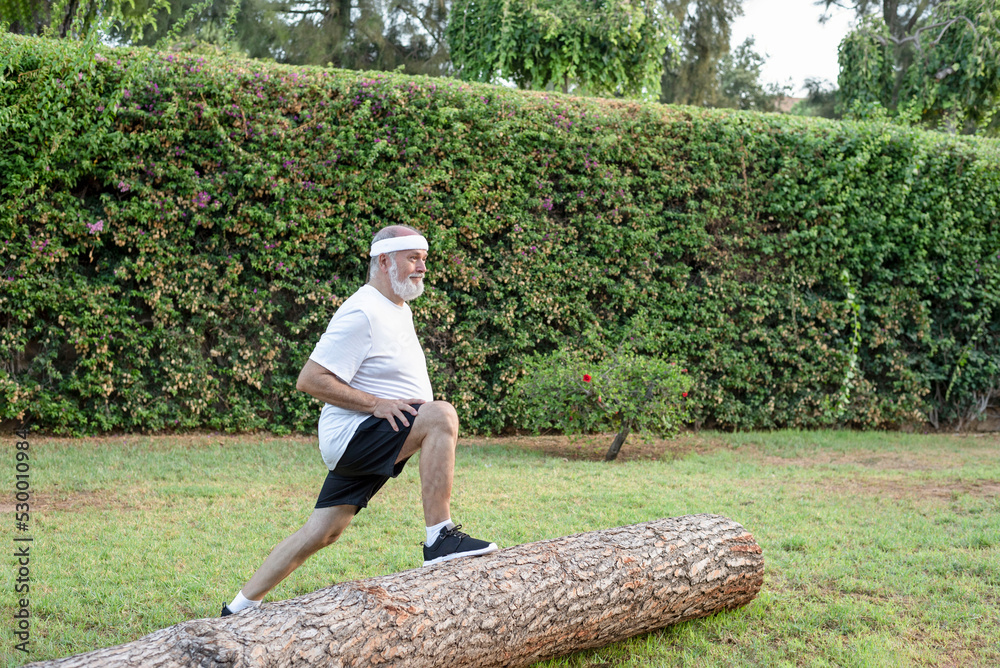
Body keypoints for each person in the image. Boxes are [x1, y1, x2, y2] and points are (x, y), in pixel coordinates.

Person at [222, 224, 498, 616]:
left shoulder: (397, 308)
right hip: (356, 433)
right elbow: (310, 378)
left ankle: (238, 609)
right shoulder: (362, 310)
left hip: (374, 434)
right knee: (441, 416)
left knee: (323, 531)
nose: (422, 267)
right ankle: (440, 539)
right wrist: (374, 404)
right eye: (412, 258)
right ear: (384, 261)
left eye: (424, 259)